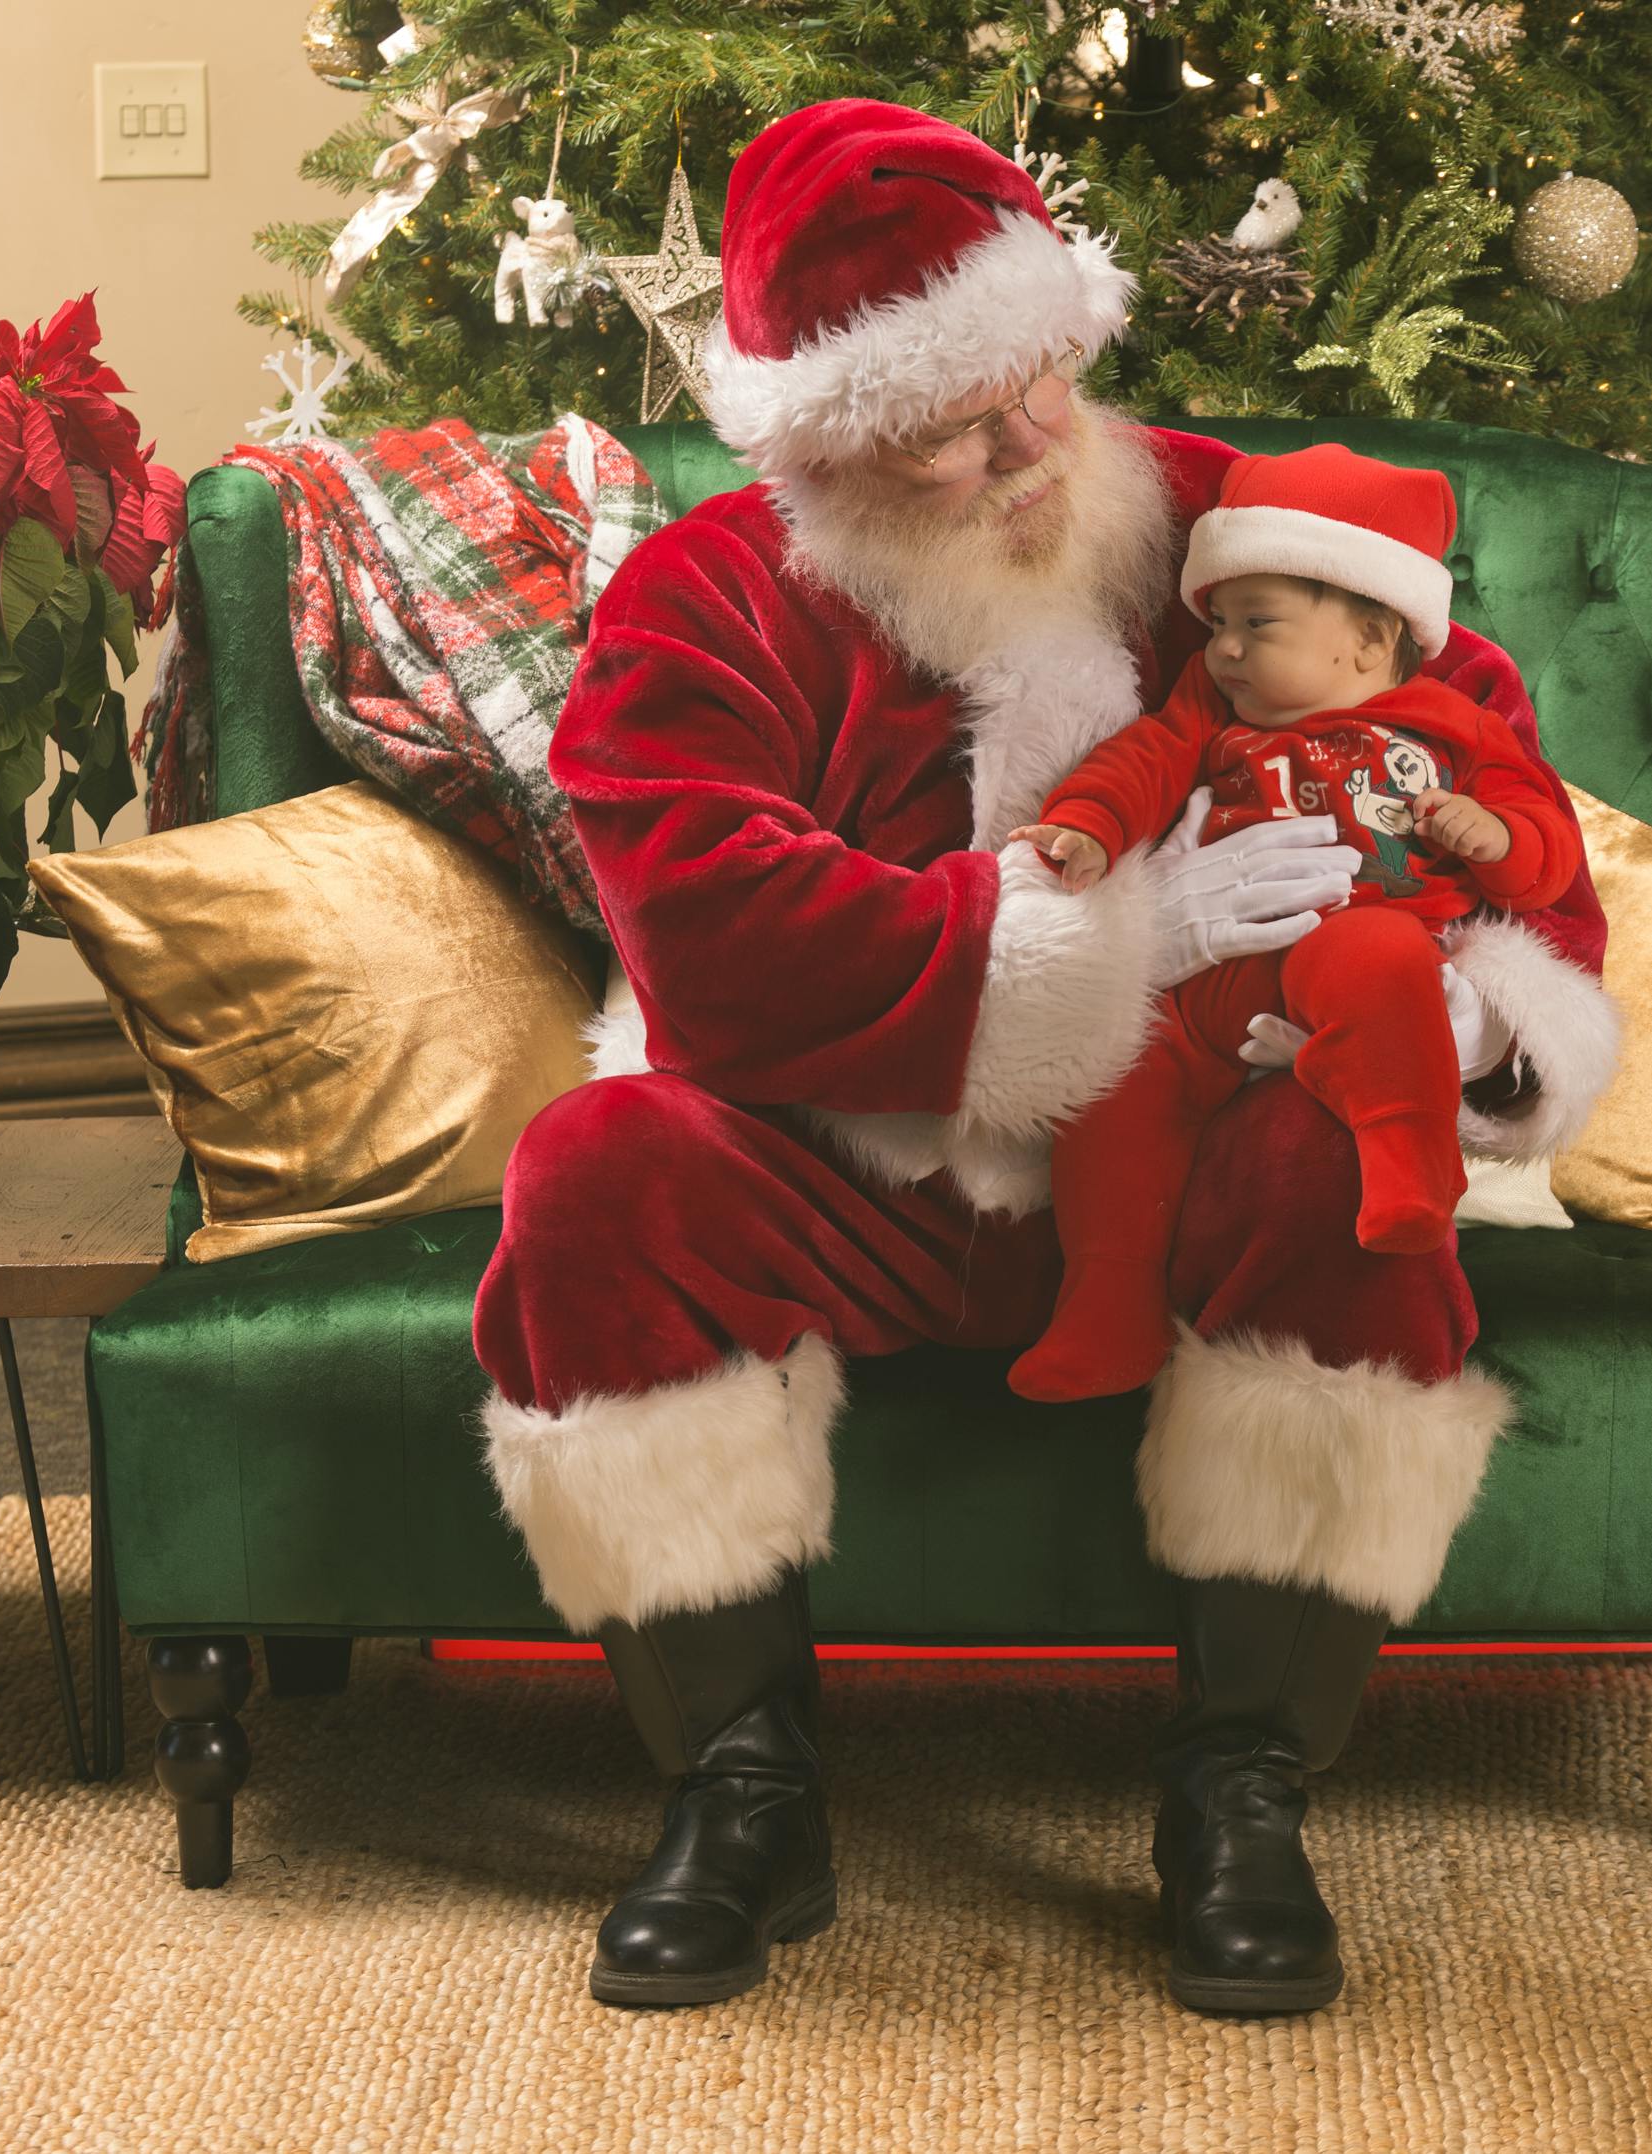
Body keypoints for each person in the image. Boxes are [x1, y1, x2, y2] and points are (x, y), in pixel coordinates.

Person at [469, 99, 1620, 2016]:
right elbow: (710, 933)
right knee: (590, 1171)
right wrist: (1123, 935)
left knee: (1354, 1159)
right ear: (820, 437)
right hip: (856, 1177)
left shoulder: (1243, 527)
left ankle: (1240, 1785)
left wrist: (1477, 1006)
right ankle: (742, 1788)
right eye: (954, 419)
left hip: (1207, 1166)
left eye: (1043, 382)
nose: (1026, 445)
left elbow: (1483, 768)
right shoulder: (709, 595)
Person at [1002, 444, 1583, 1404]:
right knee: (1117, 1079)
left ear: (1368, 635)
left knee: (1373, 954)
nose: (1221, 649)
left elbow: (1546, 849)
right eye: (1216, 623)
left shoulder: (1453, 724)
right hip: (1212, 970)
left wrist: (1497, 837)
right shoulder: (1208, 705)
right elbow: (1144, 760)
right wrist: (1089, 826)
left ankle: (1408, 1165)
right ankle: (1107, 1303)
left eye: (1254, 623)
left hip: (1357, 948)